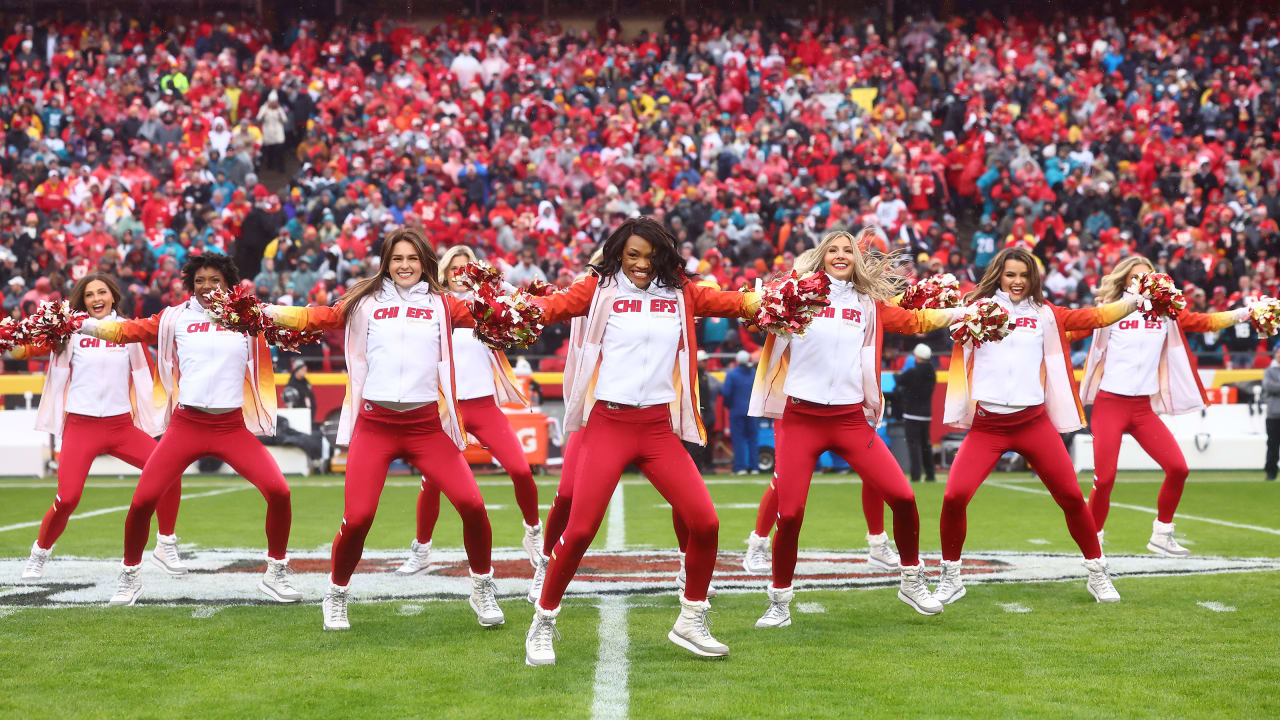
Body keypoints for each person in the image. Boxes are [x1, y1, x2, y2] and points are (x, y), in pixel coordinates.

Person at [523, 217, 766, 666]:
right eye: (631, 254)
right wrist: (499, 310)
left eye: (649, 255)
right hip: (608, 424)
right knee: (578, 532)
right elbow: (549, 309)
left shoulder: (681, 291)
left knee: (706, 523)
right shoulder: (598, 290)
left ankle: (691, 619)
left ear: (664, 256)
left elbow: (732, 303)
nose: (640, 263)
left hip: (657, 428)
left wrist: (775, 300)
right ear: (617, 253)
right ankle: (543, 622)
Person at [265, 228, 500, 631]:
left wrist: (531, 301)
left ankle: (482, 586)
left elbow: (496, 314)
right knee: (357, 519)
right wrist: (265, 312)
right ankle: (336, 592)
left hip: (427, 427)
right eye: (397, 259)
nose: (405, 266)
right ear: (386, 263)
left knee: (474, 506)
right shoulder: (365, 303)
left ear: (425, 262)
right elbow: (319, 317)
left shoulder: (444, 305)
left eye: (412, 258)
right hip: (375, 426)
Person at [747, 229, 960, 627]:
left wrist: (960, 314)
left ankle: (911, 580)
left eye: (848, 250)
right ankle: (779, 600)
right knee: (790, 515)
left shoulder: (867, 303)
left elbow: (913, 321)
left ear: (856, 260)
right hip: (801, 420)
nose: (841, 255)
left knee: (903, 496)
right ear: (821, 257)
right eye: (833, 249)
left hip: (849, 419)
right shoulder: (796, 294)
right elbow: (752, 311)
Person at [77, 254, 298, 607]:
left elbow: (303, 320)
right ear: (190, 285)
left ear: (228, 284)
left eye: (214, 280)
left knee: (280, 492)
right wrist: (79, 325)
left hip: (230, 427)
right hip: (187, 425)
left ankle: (276, 572)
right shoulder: (175, 318)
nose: (207, 286)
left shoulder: (248, 316)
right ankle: (129, 576)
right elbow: (126, 330)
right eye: (199, 280)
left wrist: (341, 313)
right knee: (142, 501)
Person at [935, 247, 1139, 606]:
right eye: (1010, 274)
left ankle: (1098, 572)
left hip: (1033, 422)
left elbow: (1093, 316)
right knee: (953, 497)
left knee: (1073, 498)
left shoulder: (1045, 314)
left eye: (1023, 276)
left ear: (1034, 279)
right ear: (998, 274)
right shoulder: (974, 308)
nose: (1016, 281)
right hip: (987, 426)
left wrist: (1135, 302)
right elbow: (931, 319)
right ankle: (951, 576)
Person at [1078, 256, 1252, 554]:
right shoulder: (1110, 311)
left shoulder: (1165, 312)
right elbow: (1072, 329)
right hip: (1110, 404)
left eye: (1146, 277)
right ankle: (1093, 543)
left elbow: (1205, 322)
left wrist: (1246, 313)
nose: (1140, 282)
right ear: (1124, 280)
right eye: (1135, 278)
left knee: (1178, 468)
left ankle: (1162, 534)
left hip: (1142, 408)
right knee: (1104, 478)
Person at [18, 273, 182, 580]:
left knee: (169, 471)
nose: (96, 299)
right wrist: (15, 346)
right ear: (83, 299)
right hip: (81, 427)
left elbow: (161, 349)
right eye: (90, 294)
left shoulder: (126, 331)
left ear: (113, 296)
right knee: (67, 498)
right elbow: (36, 348)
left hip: (121, 427)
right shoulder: (70, 331)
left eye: (102, 292)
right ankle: (40, 551)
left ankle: (165, 542)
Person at [396, 245, 542, 580]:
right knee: (431, 483)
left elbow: (521, 306)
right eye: (454, 269)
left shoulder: (488, 306)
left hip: (483, 405)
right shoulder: (435, 307)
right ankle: (421, 550)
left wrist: (492, 283)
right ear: (444, 273)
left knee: (521, 470)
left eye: (468, 269)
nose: (460, 274)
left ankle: (533, 532)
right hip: (448, 410)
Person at [896, 343, 937, 483]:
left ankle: (916, 475)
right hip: (926, 414)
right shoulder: (932, 372)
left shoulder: (912, 372)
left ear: (917, 356)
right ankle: (930, 475)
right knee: (926, 445)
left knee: (914, 445)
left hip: (911, 413)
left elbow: (899, 380)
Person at [720, 350, 759, 474]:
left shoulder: (732, 374)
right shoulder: (753, 373)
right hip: (752, 411)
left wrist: (729, 405)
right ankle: (754, 467)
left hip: (736, 410)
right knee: (753, 439)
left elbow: (726, 393)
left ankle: (740, 467)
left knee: (738, 440)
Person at [1262, 346, 1280, 482]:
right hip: (1273, 414)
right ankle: (1271, 472)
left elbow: (1274, 386)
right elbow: (1268, 386)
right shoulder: (1269, 371)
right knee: (1272, 444)